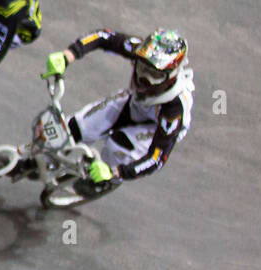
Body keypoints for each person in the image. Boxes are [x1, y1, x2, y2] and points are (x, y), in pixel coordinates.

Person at [42, 29, 193, 192]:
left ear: (171, 75)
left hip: (155, 126)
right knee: (76, 126)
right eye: (142, 67)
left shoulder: (174, 109)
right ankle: (39, 156)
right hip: (135, 103)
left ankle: (104, 181)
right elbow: (103, 37)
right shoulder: (141, 51)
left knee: (117, 147)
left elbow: (156, 159)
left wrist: (116, 172)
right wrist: (68, 55)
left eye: (153, 75)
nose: (143, 79)